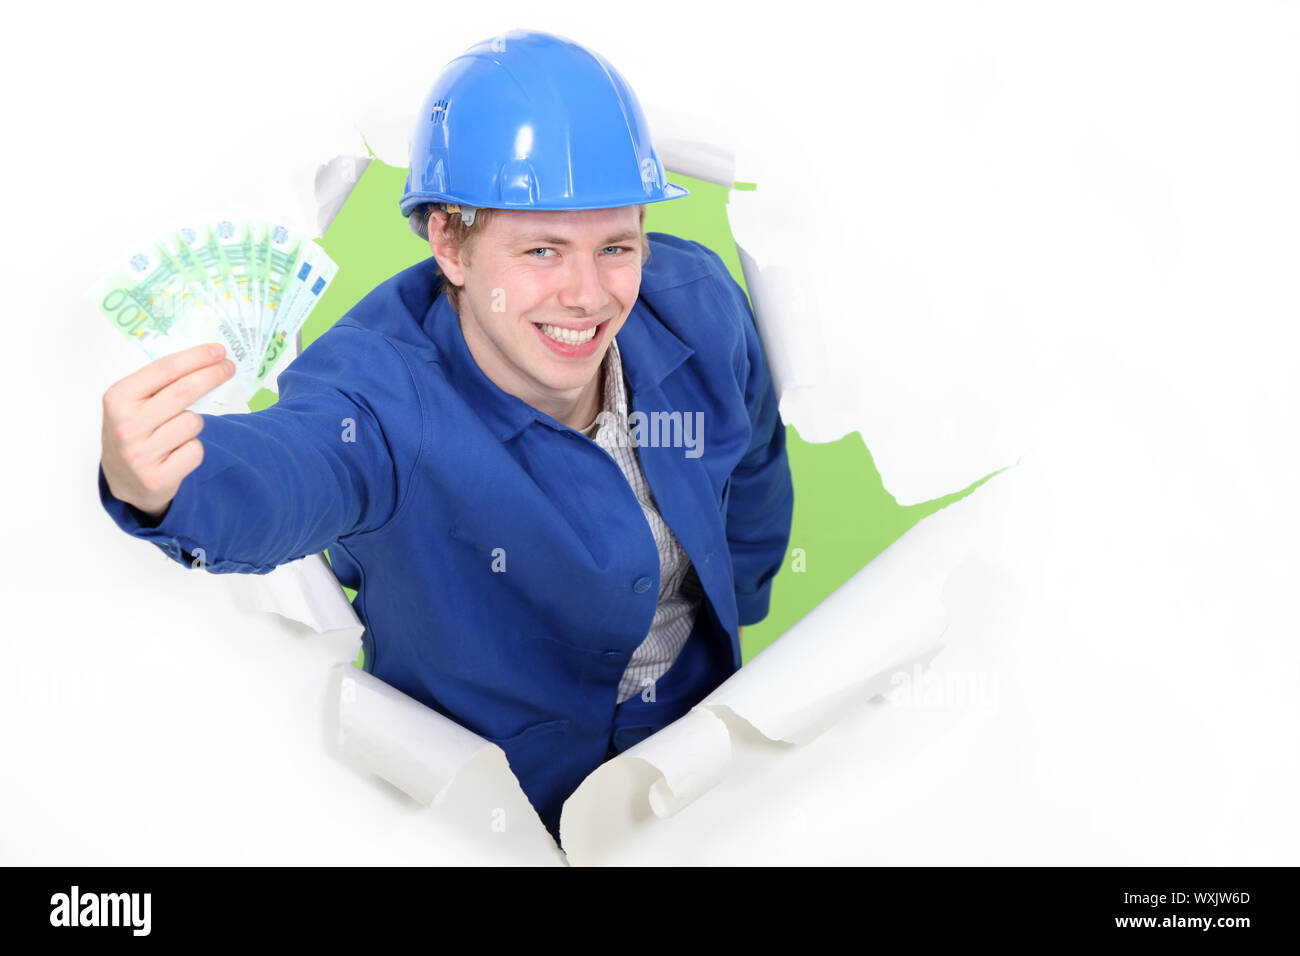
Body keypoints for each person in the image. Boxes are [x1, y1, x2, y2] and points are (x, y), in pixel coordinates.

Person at [98, 29, 794, 844]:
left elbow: (751, 474)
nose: (587, 295)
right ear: (450, 244)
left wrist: (743, 624)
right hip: (482, 807)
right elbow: (297, 463)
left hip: (693, 756)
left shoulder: (696, 301)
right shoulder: (379, 388)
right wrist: (172, 484)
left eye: (616, 246)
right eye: (542, 249)